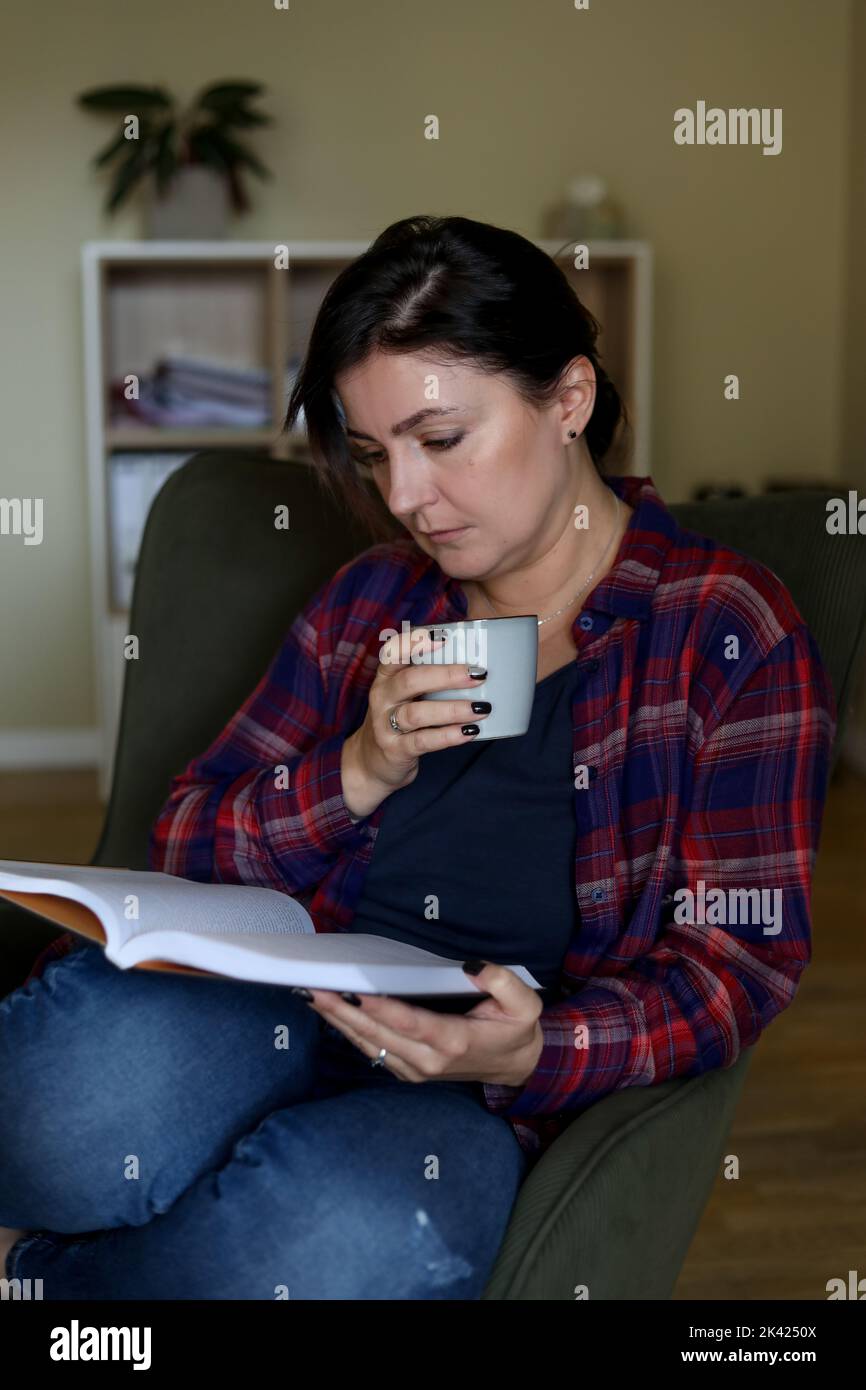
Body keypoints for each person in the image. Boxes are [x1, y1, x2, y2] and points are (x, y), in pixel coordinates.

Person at [0, 215, 837, 1299]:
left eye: (438, 440)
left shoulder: (722, 629)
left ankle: (49, 1289)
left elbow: (738, 965)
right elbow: (185, 836)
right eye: (372, 452)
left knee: (347, 1235)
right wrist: (356, 769)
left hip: (470, 1094)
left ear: (568, 399)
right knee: (59, 1095)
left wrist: (540, 1052)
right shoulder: (371, 602)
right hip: (275, 1011)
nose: (400, 498)